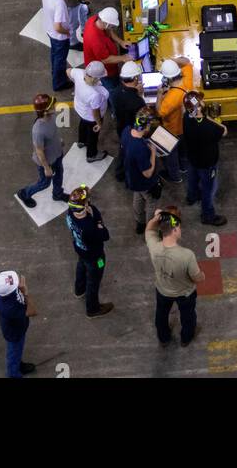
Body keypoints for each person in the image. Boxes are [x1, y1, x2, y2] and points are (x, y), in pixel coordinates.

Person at [145, 207, 204, 348]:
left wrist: (156, 218)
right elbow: (197, 278)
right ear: (176, 229)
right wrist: (202, 275)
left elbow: (149, 230)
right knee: (188, 316)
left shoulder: (153, 246)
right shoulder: (186, 255)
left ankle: (163, 337)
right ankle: (186, 338)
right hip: (184, 293)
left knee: (161, 314)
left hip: (162, 290)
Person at [65, 186, 114, 318]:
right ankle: (92, 309)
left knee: (81, 266)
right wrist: (99, 224)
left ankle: (79, 289)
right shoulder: (89, 228)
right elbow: (105, 235)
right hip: (95, 257)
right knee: (94, 281)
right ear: (84, 205)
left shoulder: (70, 212)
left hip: (80, 249)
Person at [16, 93, 69, 208]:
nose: (54, 106)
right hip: (47, 161)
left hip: (57, 154)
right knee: (44, 183)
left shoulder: (52, 116)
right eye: (51, 105)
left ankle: (57, 194)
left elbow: (53, 132)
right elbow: (39, 151)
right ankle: (24, 193)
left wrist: (58, 140)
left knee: (59, 174)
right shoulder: (38, 130)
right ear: (45, 112)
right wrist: (46, 168)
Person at [182, 93, 228, 226]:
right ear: (199, 108)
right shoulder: (209, 128)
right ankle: (208, 215)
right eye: (201, 102)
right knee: (208, 189)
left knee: (192, 179)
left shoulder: (186, 117)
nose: (203, 102)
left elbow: (197, 116)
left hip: (192, 158)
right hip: (207, 163)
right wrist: (209, 118)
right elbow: (224, 130)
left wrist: (202, 115)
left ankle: (192, 197)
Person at [42, 0, 90, 92]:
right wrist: (67, 33)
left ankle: (55, 73)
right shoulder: (60, 4)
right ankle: (59, 83)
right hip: (59, 37)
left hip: (49, 30)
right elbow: (58, 27)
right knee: (60, 59)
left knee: (54, 54)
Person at [122, 107, 161, 233]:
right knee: (151, 203)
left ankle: (140, 223)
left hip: (132, 177)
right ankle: (150, 230)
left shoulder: (126, 131)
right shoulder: (140, 148)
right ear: (147, 126)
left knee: (138, 197)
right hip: (145, 182)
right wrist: (153, 153)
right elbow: (148, 173)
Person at [0, 270, 36, 377]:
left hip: (17, 326)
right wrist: (25, 293)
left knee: (17, 352)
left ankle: (18, 365)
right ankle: (13, 374)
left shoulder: (1, 292)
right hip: (14, 332)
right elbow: (32, 311)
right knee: (14, 353)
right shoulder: (8, 308)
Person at [157, 56, 194, 183]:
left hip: (172, 130)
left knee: (171, 155)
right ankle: (184, 167)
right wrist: (171, 61)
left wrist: (159, 95)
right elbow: (186, 62)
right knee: (183, 150)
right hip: (186, 127)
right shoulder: (187, 81)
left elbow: (160, 112)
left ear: (168, 78)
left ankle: (175, 177)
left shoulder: (171, 98)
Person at [82, 6, 130, 97]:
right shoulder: (95, 39)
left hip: (109, 65)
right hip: (104, 71)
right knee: (112, 91)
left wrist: (121, 42)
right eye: (111, 25)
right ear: (105, 23)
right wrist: (123, 58)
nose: (112, 28)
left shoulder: (95, 19)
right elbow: (106, 59)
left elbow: (109, 30)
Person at [69, 60, 109, 162]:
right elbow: (95, 112)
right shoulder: (94, 94)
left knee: (83, 124)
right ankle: (91, 155)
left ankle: (81, 141)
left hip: (81, 109)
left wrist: (76, 83)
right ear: (95, 78)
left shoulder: (79, 73)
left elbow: (68, 71)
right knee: (93, 135)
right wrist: (99, 123)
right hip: (91, 118)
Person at [112, 60, 144, 182]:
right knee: (129, 153)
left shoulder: (116, 91)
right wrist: (139, 95)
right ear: (135, 78)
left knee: (123, 149)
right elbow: (142, 116)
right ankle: (123, 174)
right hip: (132, 131)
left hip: (121, 127)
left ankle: (120, 172)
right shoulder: (137, 101)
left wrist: (135, 92)